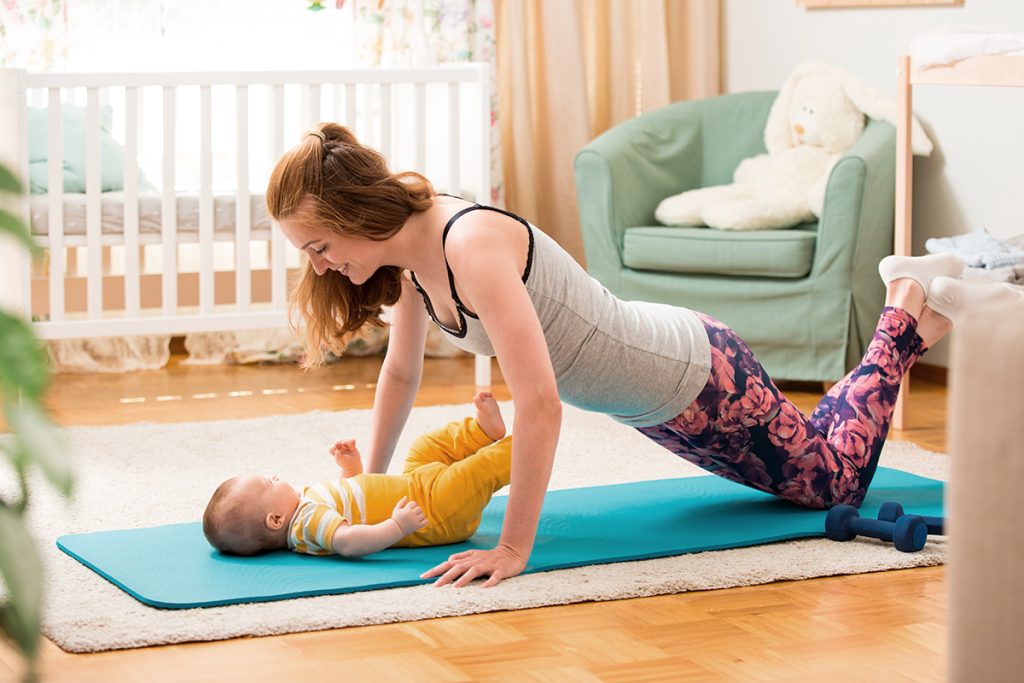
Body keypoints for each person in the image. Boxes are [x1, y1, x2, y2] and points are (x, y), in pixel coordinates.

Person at [266, 122, 1023, 587]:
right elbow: (401, 371)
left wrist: (514, 546)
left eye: (319, 246)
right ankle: (930, 313)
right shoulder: (410, 264)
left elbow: (539, 401)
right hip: (654, 400)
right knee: (819, 457)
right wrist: (369, 477)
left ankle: (901, 304)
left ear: (353, 214)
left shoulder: (469, 244)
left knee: (833, 485)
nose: (321, 265)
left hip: (694, 376)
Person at [203, 392, 511, 557]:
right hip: (433, 511)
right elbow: (349, 541)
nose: (274, 475)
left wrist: (349, 469)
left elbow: (354, 502)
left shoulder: (306, 506)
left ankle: (484, 431)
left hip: (412, 486)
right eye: (268, 482)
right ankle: (521, 448)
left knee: (424, 446)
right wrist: (396, 526)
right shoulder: (307, 524)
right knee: (477, 470)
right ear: (275, 520)